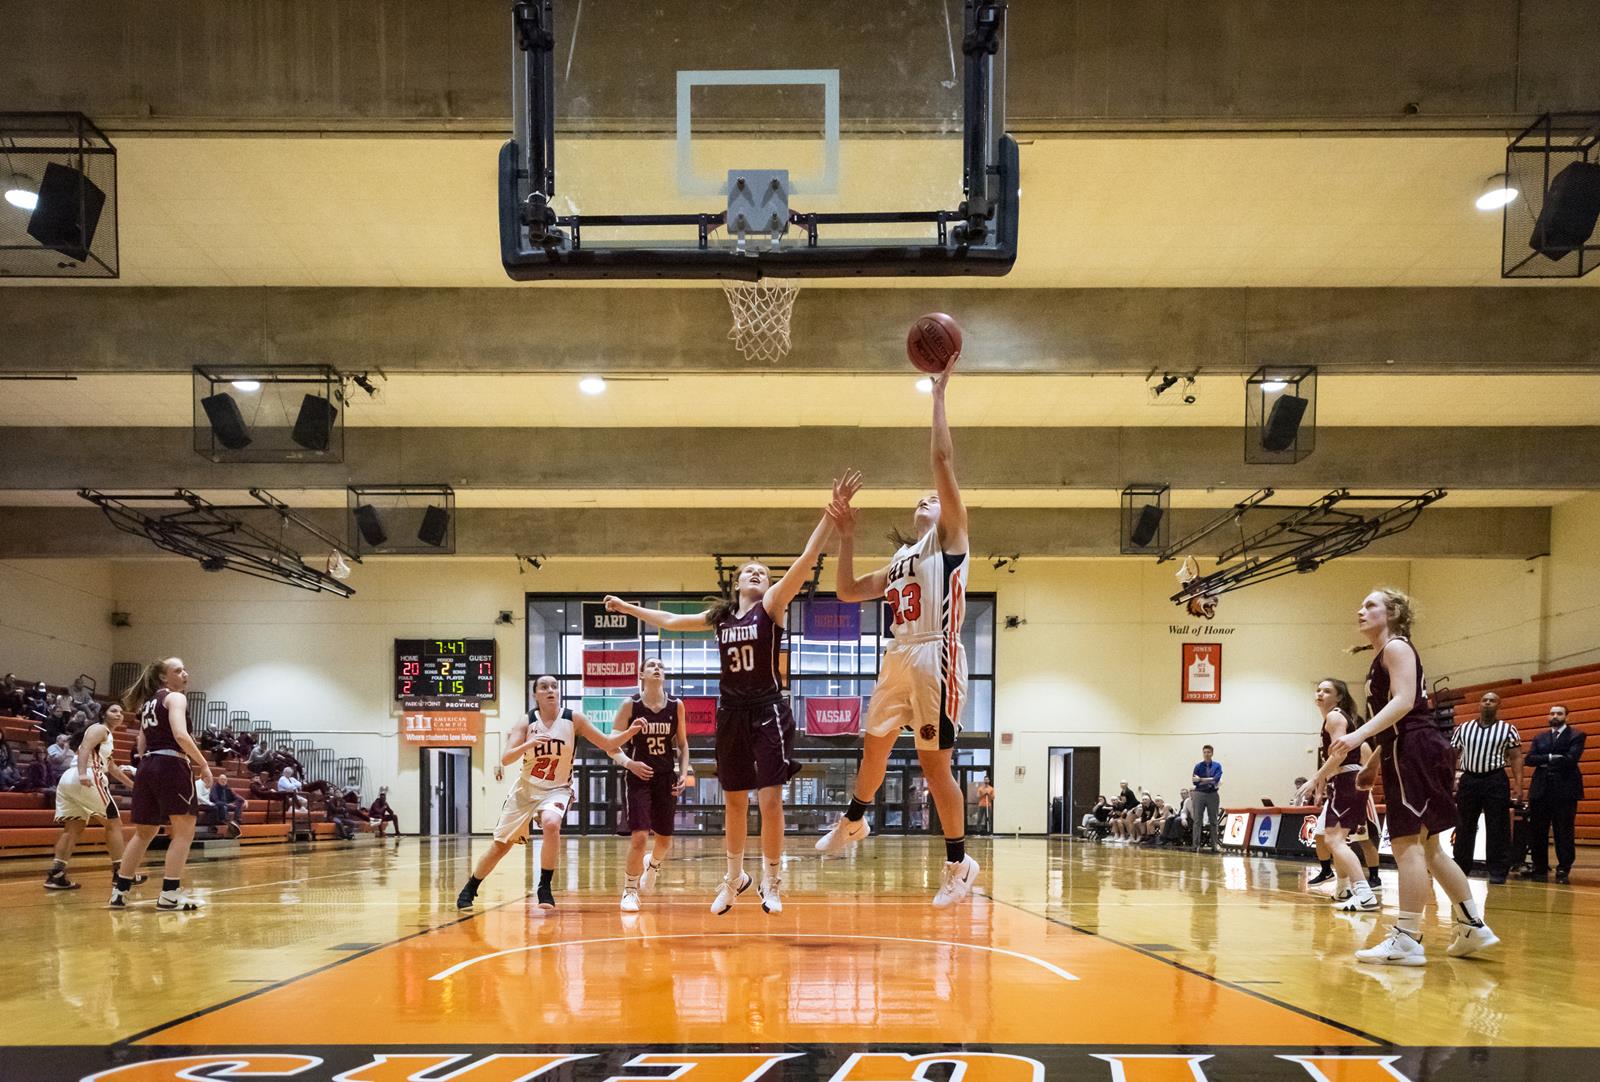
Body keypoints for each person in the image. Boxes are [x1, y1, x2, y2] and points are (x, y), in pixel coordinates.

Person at [604, 492, 841, 917]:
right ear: (737, 582)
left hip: (767, 709)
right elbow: (671, 621)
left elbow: (806, 561)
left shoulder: (771, 607)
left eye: (763, 572)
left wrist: (829, 517)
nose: (757, 573)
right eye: (749, 570)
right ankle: (734, 879)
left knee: (770, 799)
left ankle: (771, 880)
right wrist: (627, 608)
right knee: (734, 800)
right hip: (730, 713)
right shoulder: (723, 619)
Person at [814, 367, 979, 910]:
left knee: (934, 766)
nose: (928, 497)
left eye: (935, 497)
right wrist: (846, 537)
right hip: (899, 653)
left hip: (936, 652)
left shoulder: (949, 540)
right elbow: (844, 591)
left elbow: (942, 461)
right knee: (875, 746)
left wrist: (938, 394)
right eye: (923, 498)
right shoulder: (901, 559)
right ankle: (854, 822)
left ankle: (959, 863)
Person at [1330, 589, 1496, 965]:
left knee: (1407, 845)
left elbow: (1405, 702)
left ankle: (1407, 938)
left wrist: (1357, 737)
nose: (1360, 610)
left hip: (1414, 748)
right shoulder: (1385, 653)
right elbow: (1399, 716)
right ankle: (1473, 925)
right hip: (1408, 747)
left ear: (1392, 612)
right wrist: (1375, 763)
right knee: (1431, 848)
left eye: (1370, 605)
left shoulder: (1396, 647)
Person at [456, 675, 638, 912]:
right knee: (501, 846)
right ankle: (471, 887)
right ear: (536, 695)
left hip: (557, 789)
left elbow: (607, 743)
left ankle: (544, 886)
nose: (551, 690)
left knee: (551, 823)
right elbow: (507, 758)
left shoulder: (573, 719)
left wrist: (630, 732)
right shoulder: (527, 721)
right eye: (544, 687)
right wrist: (528, 744)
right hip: (526, 791)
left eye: (554, 686)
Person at [110, 658, 214, 911]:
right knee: (184, 831)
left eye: (185, 669)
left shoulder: (148, 704)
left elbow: (141, 743)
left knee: (144, 832)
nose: (185, 673)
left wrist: (147, 766)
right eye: (178, 670)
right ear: (164, 677)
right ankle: (169, 894)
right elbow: (180, 735)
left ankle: (119, 892)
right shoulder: (175, 698)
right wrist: (203, 764)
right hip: (171, 764)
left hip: (147, 766)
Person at [608, 657, 692, 912]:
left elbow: (682, 744)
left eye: (661, 667)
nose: (657, 669)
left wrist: (683, 772)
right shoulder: (630, 705)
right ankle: (630, 891)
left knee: (665, 840)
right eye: (652, 666)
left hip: (666, 777)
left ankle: (653, 866)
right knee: (640, 836)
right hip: (639, 778)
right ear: (641, 674)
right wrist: (629, 764)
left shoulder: (676, 705)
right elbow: (611, 744)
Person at [1297, 679, 1378, 912]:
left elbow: (1339, 755)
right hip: (1342, 782)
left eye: (1327, 691)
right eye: (1318, 690)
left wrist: (1315, 779)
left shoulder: (1335, 717)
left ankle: (1364, 893)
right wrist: (1322, 784)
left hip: (1347, 781)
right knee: (1330, 836)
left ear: (1339, 697)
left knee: (1335, 840)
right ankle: (1343, 888)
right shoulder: (1335, 718)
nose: (1320, 694)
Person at [45, 703, 144, 891]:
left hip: (69, 780)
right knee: (114, 824)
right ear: (103, 714)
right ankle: (121, 874)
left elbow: (112, 767)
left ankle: (56, 874)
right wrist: (83, 774)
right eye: (114, 711)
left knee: (73, 828)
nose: (119, 714)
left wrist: (134, 786)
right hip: (87, 775)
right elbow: (84, 748)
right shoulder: (99, 729)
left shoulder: (106, 736)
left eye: (121, 712)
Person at [1451, 690, 1524, 884]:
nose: (1488, 703)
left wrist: (1519, 785)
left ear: (1499, 705)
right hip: (1469, 779)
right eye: (1484, 700)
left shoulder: (1508, 729)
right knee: (1464, 825)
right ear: (1479, 704)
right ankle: (1460, 867)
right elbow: (1453, 754)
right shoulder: (1464, 728)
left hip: (1495, 779)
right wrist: (1449, 778)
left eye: (1492, 700)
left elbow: (1516, 757)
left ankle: (1498, 870)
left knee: (1497, 826)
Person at [1526, 703, 1584, 884]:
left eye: (1559, 713)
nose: (1555, 716)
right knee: (1537, 831)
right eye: (1552, 713)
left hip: (1565, 790)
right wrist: (1552, 757)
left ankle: (1563, 868)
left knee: (1563, 831)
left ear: (1567, 717)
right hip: (1540, 790)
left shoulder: (1577, 735)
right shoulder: (1540, 737)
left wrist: (1543, 760)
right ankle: (1539, 867)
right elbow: (1529, 759)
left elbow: (1571, 759)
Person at [1190, 745, 1222, 850]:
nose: (1206, 754)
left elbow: (1216, 779)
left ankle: (1214, 846)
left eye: (1208, 752)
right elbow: (1194, 781)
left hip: (1212, 794)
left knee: (1214, 821)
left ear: (1212, 753)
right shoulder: (1198, 766)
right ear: (1202, 753)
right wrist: (1209, 780)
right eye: (1204, 752)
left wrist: (1201, 779)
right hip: (1199, 794)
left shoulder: (1217, 766)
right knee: (1197, 820)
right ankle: (1196, 845)